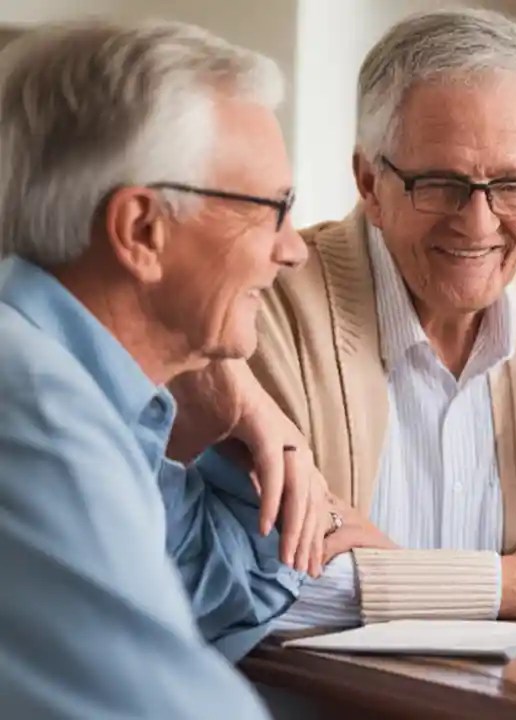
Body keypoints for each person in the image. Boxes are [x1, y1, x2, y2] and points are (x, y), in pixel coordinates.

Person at [253, 8, 516, 630]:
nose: (478, 224)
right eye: (440, 184)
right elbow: (260, 581)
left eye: (512, 184)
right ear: (369, 181)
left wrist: (391, 575)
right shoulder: (273, 307)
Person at [0, 20, 332, 718]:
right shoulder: (33, 407)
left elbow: (231, 587)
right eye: (273, 210)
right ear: (142, 231)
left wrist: (238, 409)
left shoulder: (86, 395)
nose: (293, 250)